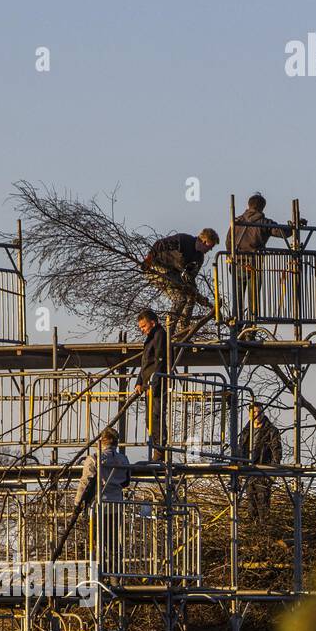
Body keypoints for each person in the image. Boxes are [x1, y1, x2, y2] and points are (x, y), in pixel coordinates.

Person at [225, 194, 300, 321]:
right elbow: (282, 232)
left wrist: (232, 257)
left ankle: (236, 327)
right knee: (253, 299)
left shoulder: (236, 221)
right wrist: (294, 226)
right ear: (262, 207)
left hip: (237, 263)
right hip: (254, 265)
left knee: (237, 300)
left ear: (248, 205)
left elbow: (228, 242)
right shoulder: (264, 223)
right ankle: (250, 329)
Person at [141, 229, 219, 338]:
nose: (210, 250)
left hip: (173, 273)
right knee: (180, 299)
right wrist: (149, 259)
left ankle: (182, 333)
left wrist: (196, 294)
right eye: (210, 246)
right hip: (158, 267)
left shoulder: (198, 258)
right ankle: (169, 334)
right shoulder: (183, 240)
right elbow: (159, 244)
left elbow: (190, 279)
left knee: (190, 297)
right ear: (204, 241)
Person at [75, 429, 131, 574]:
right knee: (113, 542)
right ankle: (115, 575)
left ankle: (97, 573)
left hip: (98, 506)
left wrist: (77, 504)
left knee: (96, 541)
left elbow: (85, 483)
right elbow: (126, 482)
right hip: (116, 505)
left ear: (101, 441)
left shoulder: (94, 458)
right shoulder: (123, 459)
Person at [239, 402, 283, 522]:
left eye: (260, 412)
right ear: (249, 414)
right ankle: (254, 533)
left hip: (264, 471)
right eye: (254, 412)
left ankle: (263, 530)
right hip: (248, 471)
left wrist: (273, 470)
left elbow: (276, 450)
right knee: (251, 504)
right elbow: (240, 450)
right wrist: (239, 469)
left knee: (263, 503)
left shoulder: (271, 431)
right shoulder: (245, 431)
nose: (257, 415)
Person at [134, 309, 168, 460]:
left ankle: (160, 450)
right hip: (148, 384)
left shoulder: (159, 334)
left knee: (156, 417)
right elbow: (145, 363)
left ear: (152, 323)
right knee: (150, 419)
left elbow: (160, 358)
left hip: (157, 384)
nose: (142, 330)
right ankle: (157, 448)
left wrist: (156, 382)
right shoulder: (149, 338)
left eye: (143, 326)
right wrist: (139, 382)